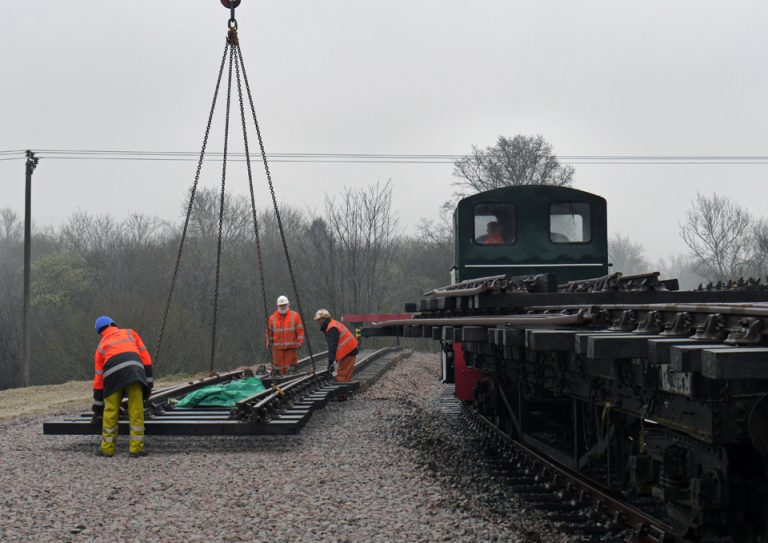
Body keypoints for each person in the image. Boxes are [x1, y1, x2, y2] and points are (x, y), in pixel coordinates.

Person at [91, 316, 153, 458]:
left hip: (112, 377)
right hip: (134, 372)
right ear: (113, 324)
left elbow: (99, 379)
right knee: (136, 410)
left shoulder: (101, 346)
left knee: (111, 411)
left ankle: (107, 449)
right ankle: (136, 449)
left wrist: (98, 404)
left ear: (100, 331)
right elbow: (146, 358)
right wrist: (149, 384)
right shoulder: (130, 333)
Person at [313, 309, 359, 399]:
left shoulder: (331, 328)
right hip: (349, 350)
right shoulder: (333, 324)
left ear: (323, 319)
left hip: (348, 351)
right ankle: (344, 394)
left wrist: (330, 362)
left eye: (318, 320)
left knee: (342, 374)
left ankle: (342, 396)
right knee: (346, 374)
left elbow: (332, 346)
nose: (318, 322)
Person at [266, 295, 305, 375]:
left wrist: (299, 343)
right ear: (278, 306)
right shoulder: (272, 318)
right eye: (281, 305)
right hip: (277, 350)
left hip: (290, 349)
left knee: (291, 369)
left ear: (288, 305)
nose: (283, 307)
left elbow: (300, 331)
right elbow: (269, 333)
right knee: (278, 369)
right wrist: (268, 343)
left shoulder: (295, 316)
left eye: (284, 305)